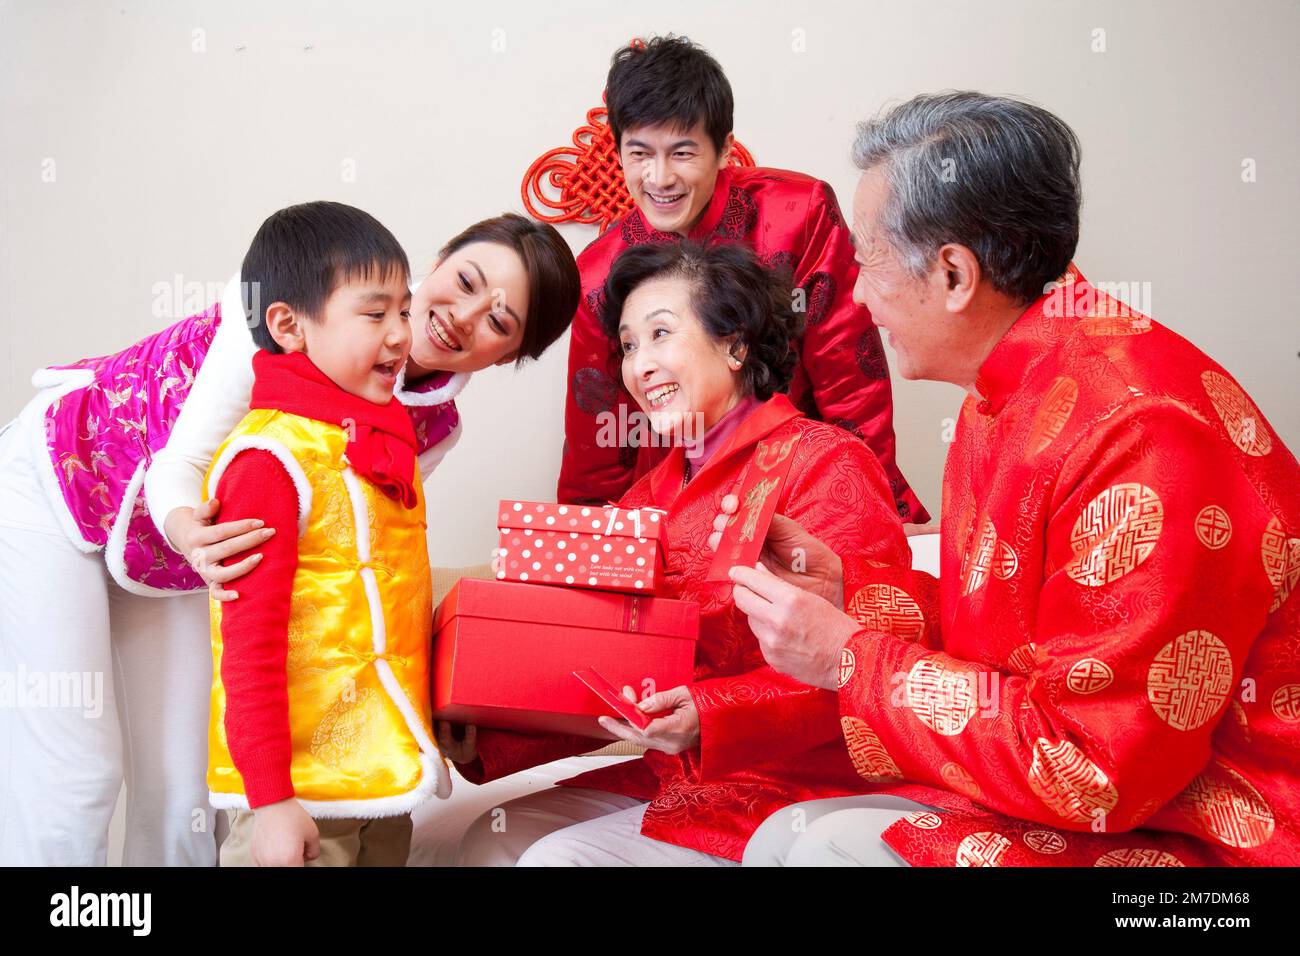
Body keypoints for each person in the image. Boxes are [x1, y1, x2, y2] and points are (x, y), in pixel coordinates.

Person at [723, 92, 1299, 866]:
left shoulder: (1139, 428)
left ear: (955, 273)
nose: (857, 296)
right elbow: (1019, 644)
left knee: (830, 851)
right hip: (1130, 805)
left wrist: (848, 657)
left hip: (1218, 845)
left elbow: (1095, 771)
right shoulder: (1007, 391)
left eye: (869, 263)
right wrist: (845, 595)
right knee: (783, 834)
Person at [0, 208, 578, 866]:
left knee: (183, 791)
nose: (464, 316)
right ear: (442, 256)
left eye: (499, 323)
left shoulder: (430, 429)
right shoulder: (296, 305)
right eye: (467, 280)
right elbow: (183, 465)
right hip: (65, 485)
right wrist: (192, 534)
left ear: (509, 356)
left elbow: (369, 568)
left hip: (190, 558)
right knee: (75, 779)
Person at [447, 241, 936, 866]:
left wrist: (712, 713)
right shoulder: (645, 496)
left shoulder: (826, 462)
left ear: (735, 345)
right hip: (674, 774)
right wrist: (482, 734)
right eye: (628, 346)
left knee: (555, 861)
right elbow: (600, 663)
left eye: (660, 335)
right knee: (493, 841)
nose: (640, 365)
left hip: (796, 785)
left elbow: (870, 659)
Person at [558, 35, 926, 523]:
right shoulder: (596, 276)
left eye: (682, 153)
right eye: (640, 153)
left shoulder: (799, 214)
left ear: (724, 148)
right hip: (676, 494)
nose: (659, 177)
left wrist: (863, 504)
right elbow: (598, 435)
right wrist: (587, 548)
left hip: (802, 481)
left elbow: (852, 379)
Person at [207, 201, 452, 866]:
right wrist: (270, 802)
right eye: (376, 314)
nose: (402, 335)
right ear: (288, 325)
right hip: (300, 797)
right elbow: (248, 646)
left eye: (404, 310)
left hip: (380, 784)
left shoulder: (370, 441)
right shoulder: (271, 461)